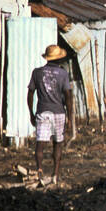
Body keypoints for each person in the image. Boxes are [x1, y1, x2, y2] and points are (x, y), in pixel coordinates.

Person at [27, 44, 74, 186]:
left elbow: (30, 94)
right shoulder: (63, 74)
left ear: (47, 58)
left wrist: (31, 113)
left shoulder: (37, 72)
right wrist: (70, 117)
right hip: (59, 112)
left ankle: (40, 170)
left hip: (43, 111)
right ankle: (55, 174)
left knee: (40, 144)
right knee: (58, 144)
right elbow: (68, 97)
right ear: (59, 59)